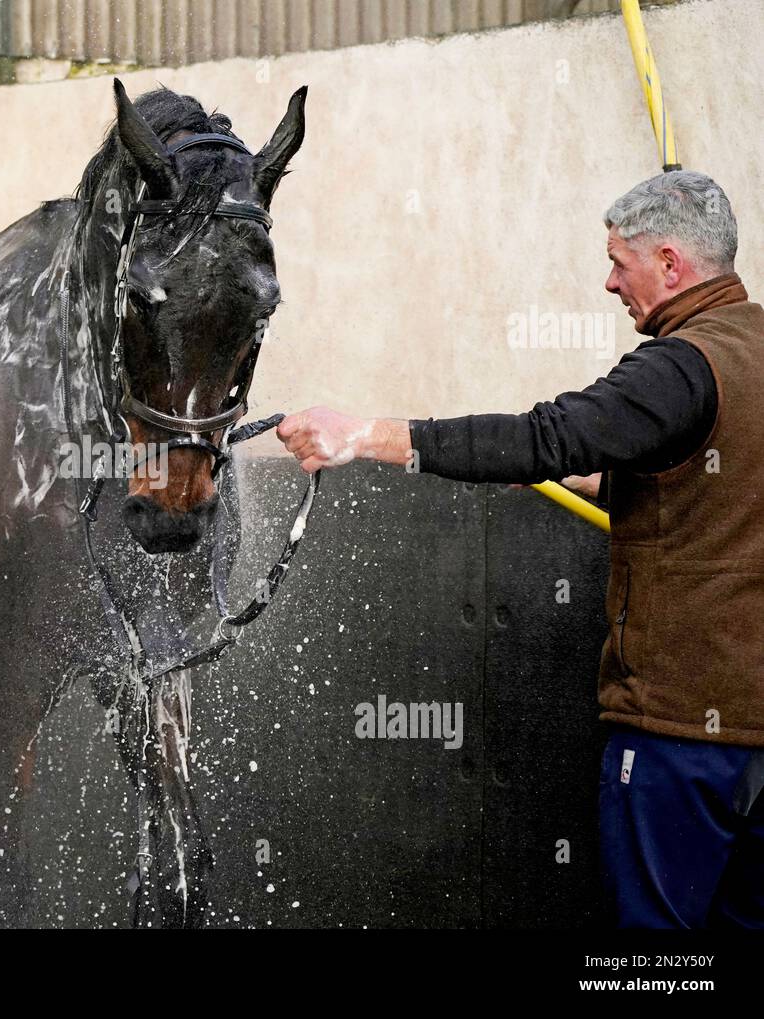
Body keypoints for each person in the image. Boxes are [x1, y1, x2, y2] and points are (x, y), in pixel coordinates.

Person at [276, 170, 764, 928]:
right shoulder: (752, 352)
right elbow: (711, 485)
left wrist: (364, 435)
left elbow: (545, 432)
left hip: (678, 741)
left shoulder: (678, 365)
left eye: (619, 260)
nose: (609, 282)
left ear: (671, 265)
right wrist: (573, 471)